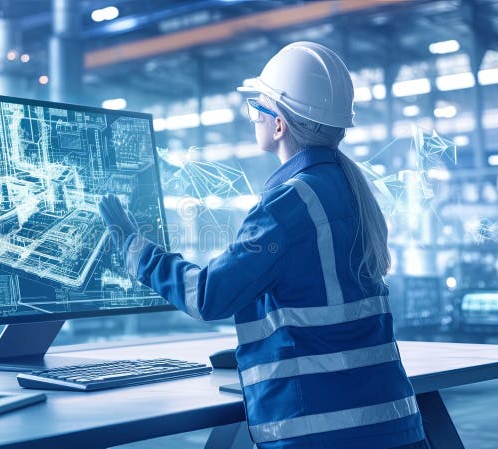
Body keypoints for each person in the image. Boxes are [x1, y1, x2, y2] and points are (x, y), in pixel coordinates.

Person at [98, 41, 428, 449]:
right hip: (394, 426)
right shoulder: (351, 191)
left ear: (278, 125)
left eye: (258, 106)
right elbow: (317, 307)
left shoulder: (286, 206)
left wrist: (136, 250)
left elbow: (208, 296)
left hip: (322, 434)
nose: (252, 115)